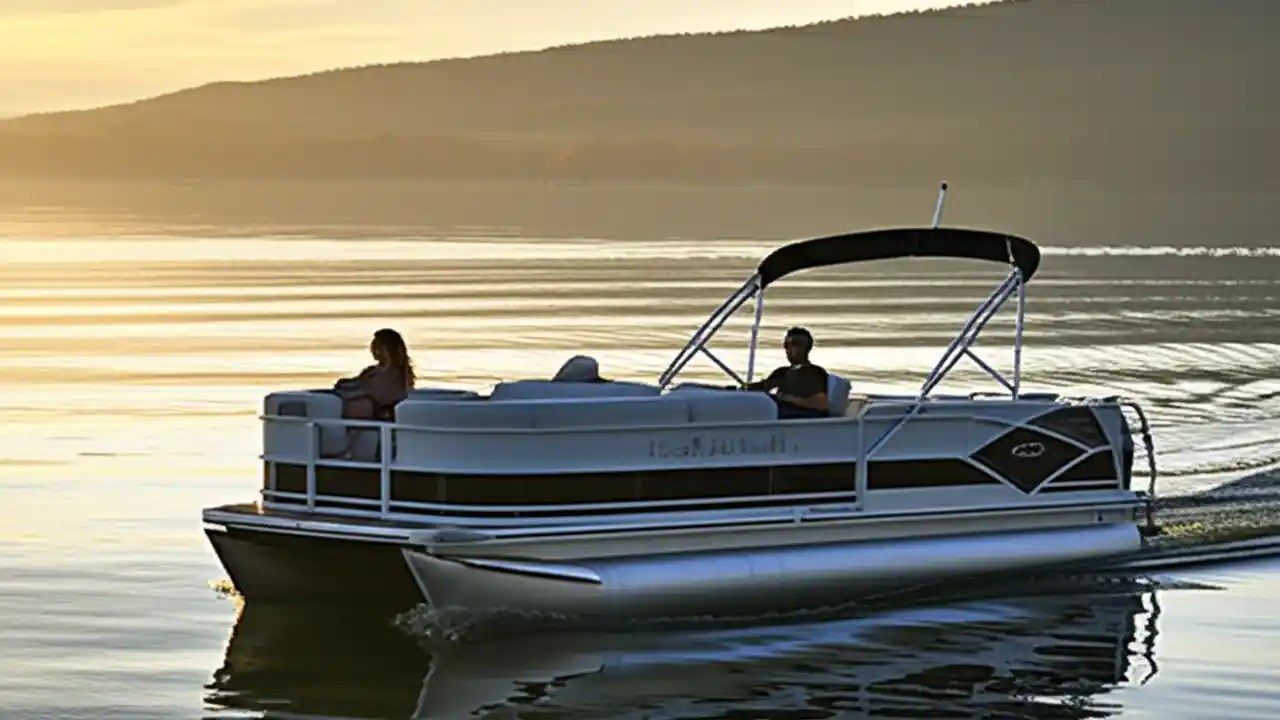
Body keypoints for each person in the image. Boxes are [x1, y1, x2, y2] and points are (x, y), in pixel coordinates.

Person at [745, 327, 829, 418]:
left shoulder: (815, 373)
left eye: (795, 344)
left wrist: (788, 398)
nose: (789, 349)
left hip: (798, 419)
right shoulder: (781, 372)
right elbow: (762, 387)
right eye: (786, 345)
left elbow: (822, 404)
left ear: (807, 348)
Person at [334, 328, 416, 419]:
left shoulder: (397, 373)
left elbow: (377, 391)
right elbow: (359, 383)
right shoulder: (371, 370)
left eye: (379, 347)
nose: (375, 351)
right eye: (374, 347)